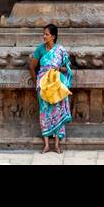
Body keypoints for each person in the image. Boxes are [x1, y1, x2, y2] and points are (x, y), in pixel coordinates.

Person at [29, 23, 73, 153]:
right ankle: (47, 144)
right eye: (44, 34)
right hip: (43, 86)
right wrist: (36, 82)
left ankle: (57, 145)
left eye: (46, 34)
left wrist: (59, 68)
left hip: (57, 86)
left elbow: (68, 69)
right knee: (45, 112)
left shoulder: (60, 51)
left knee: (57, 111)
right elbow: (32, 67)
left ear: (53, 36)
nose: (44, 36)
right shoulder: (40, 50)